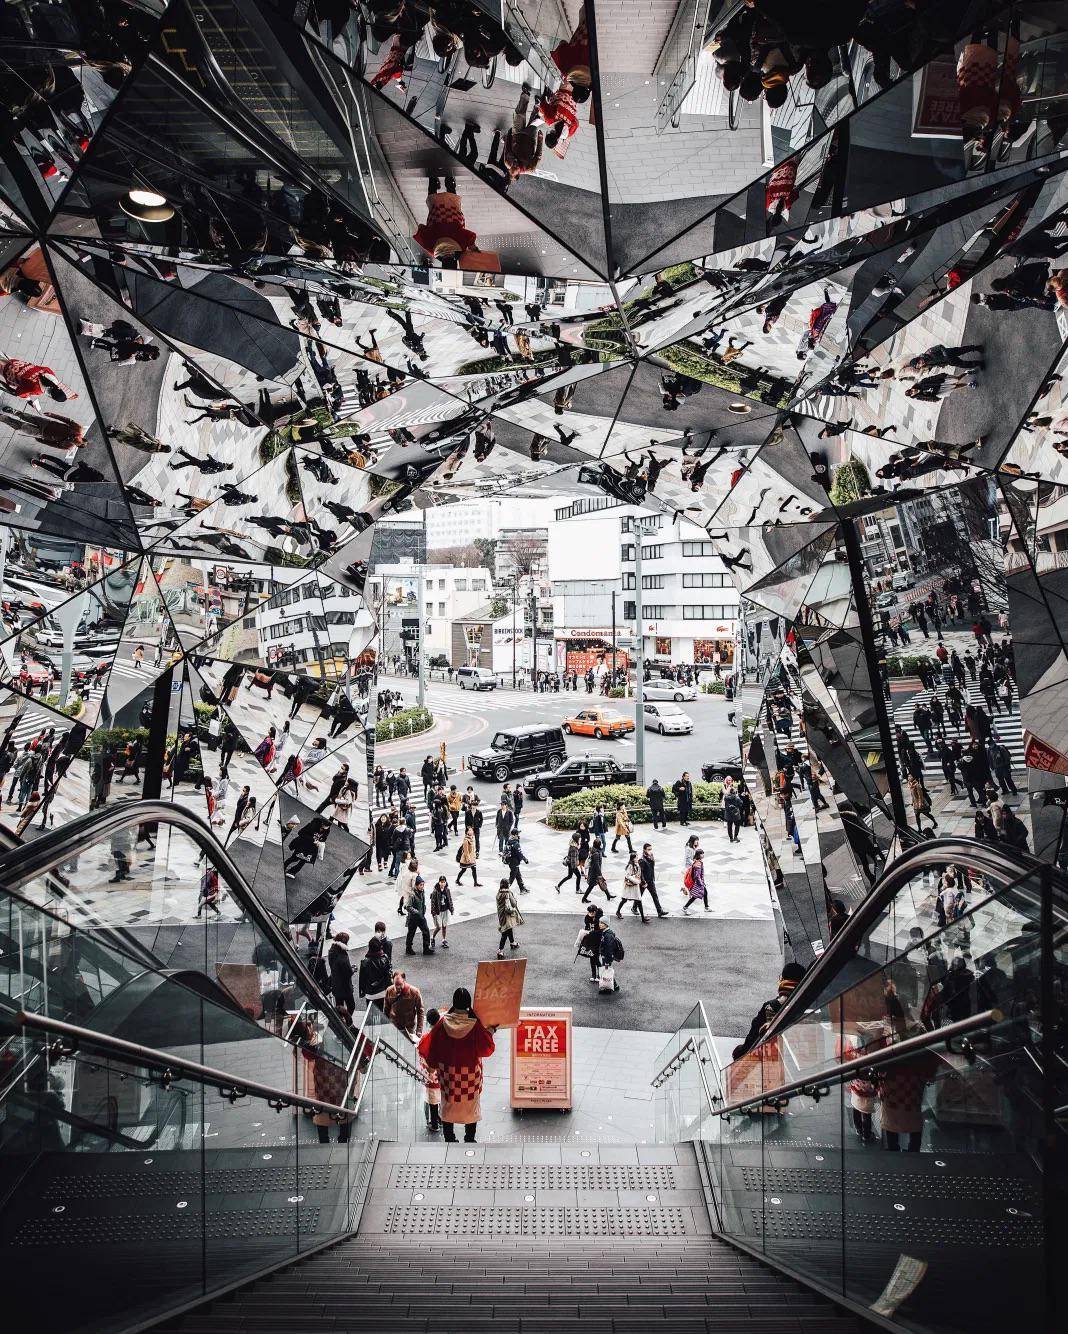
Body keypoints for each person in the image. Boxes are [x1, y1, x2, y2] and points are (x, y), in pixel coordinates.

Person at [418, 988, 496, 1143]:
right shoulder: (474, 1025)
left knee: (448, 1108)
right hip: (471, 1078)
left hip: (448, 1077)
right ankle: (469, 1138)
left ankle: (450, 1139)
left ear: (454, 1003)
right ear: (468, 1003)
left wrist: (432, 1067)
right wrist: (491, 1031)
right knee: (471, 1108)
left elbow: (432, 1049)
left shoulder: (442, 1024)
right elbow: (487, 1049)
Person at [384, 970, 425, 1042]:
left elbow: (420, 1011)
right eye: (396, 985)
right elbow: (386, 1010)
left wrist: (419, 1030)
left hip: (409, 1028)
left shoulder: (414, 992)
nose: (398, 988)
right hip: (394, 1026)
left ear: (404, 980)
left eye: (400, 985)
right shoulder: (389, 990)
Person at [420, 1007, 443, 1132]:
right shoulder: (444, 1035)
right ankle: (441, 1120)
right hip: (442, 1074)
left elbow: (422, 1053)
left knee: (432, 1100)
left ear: (428, 1022)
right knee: (440, 1098)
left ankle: (434, 1125)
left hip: (431, 1076)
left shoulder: (426, 1038)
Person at [358, 936, 391, 1007]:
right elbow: (388, 976)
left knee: (371, 1011)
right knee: (383, 1011)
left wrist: (362, 992)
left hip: (370, 993)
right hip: (382, 991)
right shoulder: (384, 958)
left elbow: (362, 979)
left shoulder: (364, 962)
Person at [327, 932, 355, 1017]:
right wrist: (353, 969)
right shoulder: (343, 957)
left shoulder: (332, 951)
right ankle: (347, 1020)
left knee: (339, 1007)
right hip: (345, 987)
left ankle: (340, 1020)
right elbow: (348, 973)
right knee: (351, 1006)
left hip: (336, 983)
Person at [404, 875, 433, 956]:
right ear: (416, 885)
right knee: (411, 933)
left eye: (423, 885)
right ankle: (408, 948)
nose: (422, 886)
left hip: (421, 916)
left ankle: (426, 949)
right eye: (420, 885)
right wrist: (416, 912)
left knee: (426, 931)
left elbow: (423, 903)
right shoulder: (412, 895)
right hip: (413, 918)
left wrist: (423, 910)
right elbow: (408, 906)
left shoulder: (422, 892)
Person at [615, 851, 647, 922]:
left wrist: (640, 880)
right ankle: (618, 911)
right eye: (636, 858)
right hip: (630, 886)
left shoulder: (636, 864)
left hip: (635, 886)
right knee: (624, 900)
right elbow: (628, 876)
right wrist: (636, 880)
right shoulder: (630, 866)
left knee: (639, 901)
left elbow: (639, 874)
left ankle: (643, 918)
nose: (637, 859)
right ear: (632, 859)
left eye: (637, 857)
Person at [638, 843, 668, 917]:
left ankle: (660, 911)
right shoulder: (642, 860)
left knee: (654, 895)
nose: (650, 851)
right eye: (648, 849)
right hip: (644, 881)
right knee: (639, 896)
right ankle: (634, 907)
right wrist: (643, 882)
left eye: (651, 849)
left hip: (650, 880)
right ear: (644, 850)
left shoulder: (651, 856)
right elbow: (640, 872)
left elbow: (652, 866)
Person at [581, 836, 613, 902]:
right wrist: (599, 874)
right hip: (594, 872)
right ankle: (584, 898)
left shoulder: (594, 850)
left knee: (601, 882)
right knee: (592, 886)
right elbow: (596, 864)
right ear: (598, 845)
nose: (601, 845)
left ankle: (608, 895)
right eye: (600, 843)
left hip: (594, 871)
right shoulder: (596, 853)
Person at [496, 878, 523, 957]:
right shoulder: (507, 893)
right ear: (507, 885)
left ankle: (512, 943)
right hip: (507, 916)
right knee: (505, 933)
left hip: (501, 915)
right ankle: (500, 950)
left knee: (509, 928)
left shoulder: (499, 892)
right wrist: (513, 909)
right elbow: (509, 906)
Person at [430, 875, 453, 949]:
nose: (442, 883)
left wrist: (451, 909)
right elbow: (432, 902)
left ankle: (444, 940)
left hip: (445, 910)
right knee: (438, 927)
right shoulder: (435, 891)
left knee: (444, 926)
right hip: (438, 911)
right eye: (441, 882)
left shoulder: (447, 890)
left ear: (445, 882)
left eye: (444, 882)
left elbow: (450, 899)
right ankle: (432, 938)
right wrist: (433, 912)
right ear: (439, 882)